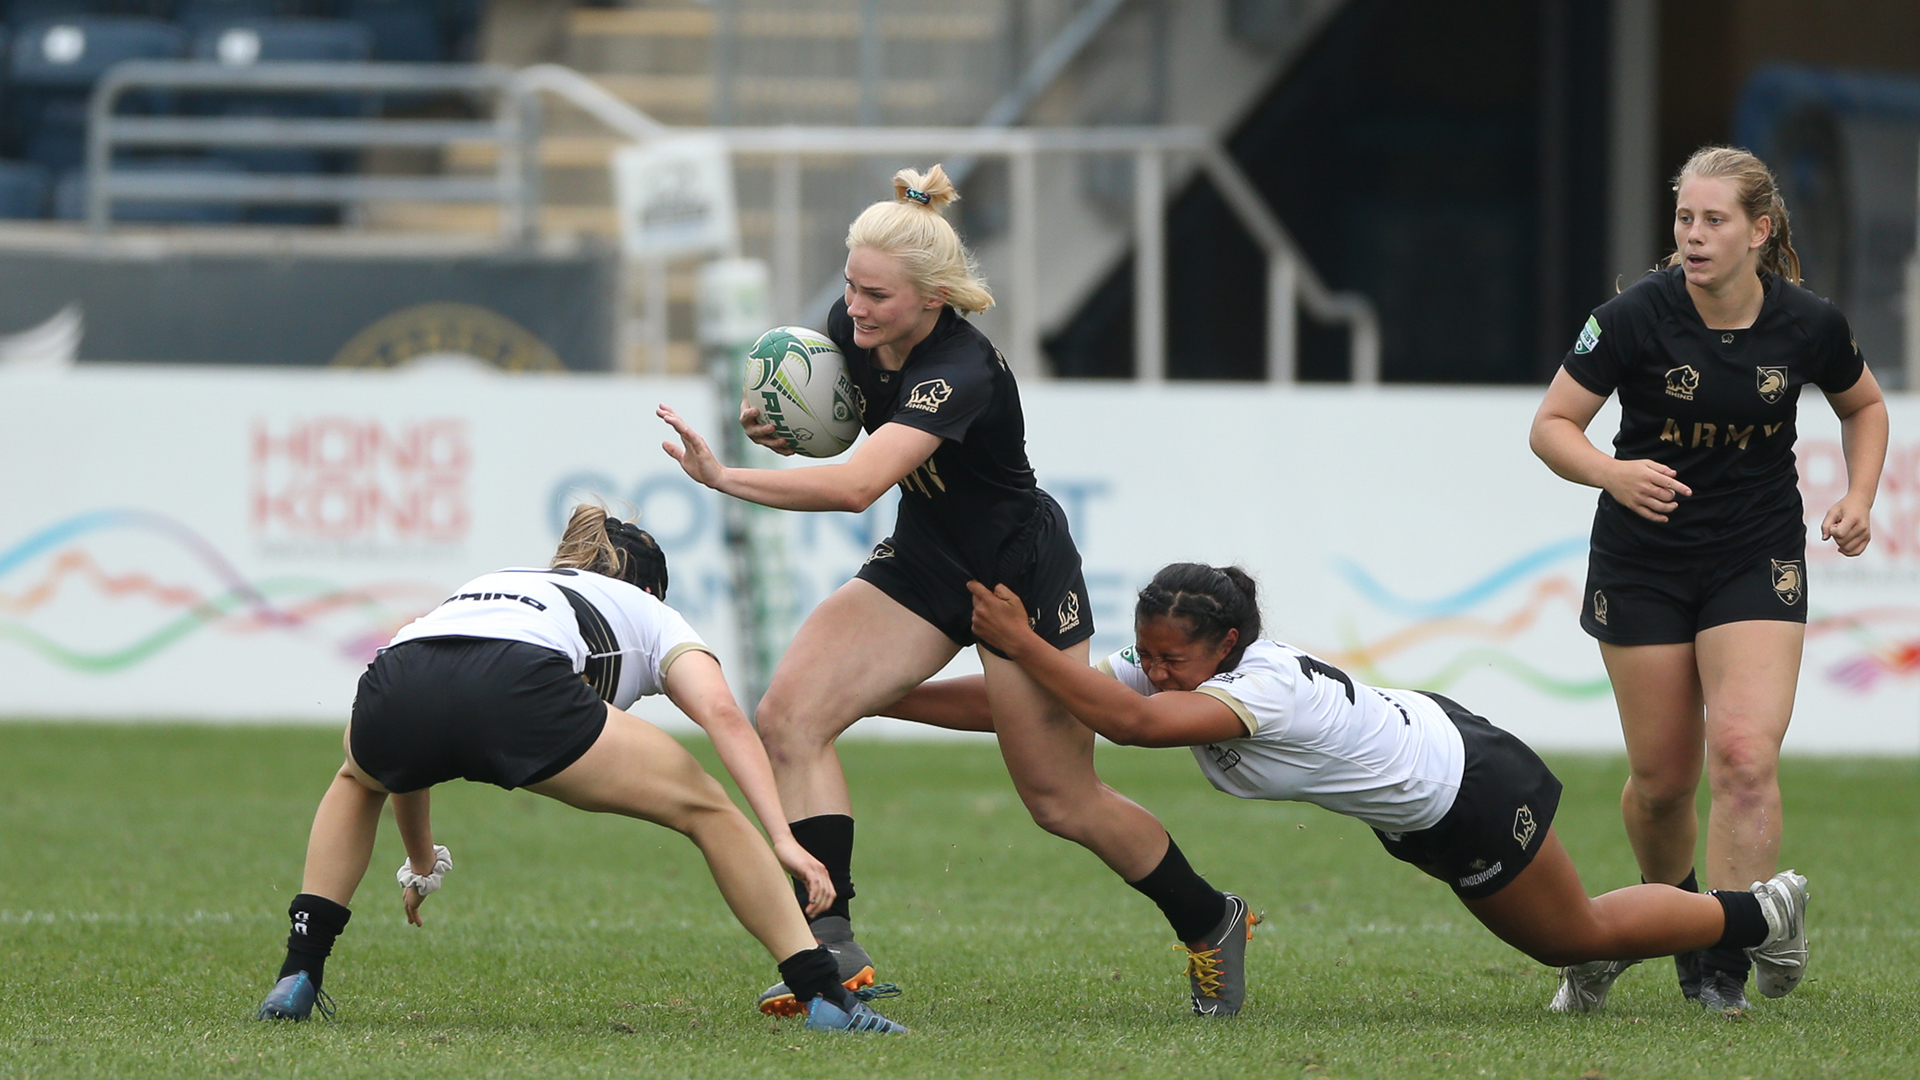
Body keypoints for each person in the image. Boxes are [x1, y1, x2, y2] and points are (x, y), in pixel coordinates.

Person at [656, 164, 1256, 1018]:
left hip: (1021, 572)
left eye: (878, 297)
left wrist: (727, 476)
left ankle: (1210, 920)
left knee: (1059, 800)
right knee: (789, 716)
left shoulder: (961, 369)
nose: (855, 310)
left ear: (934, 298)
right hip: (927, 557)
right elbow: (844, 448)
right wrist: (789, 432)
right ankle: (834, 950)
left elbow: (858, 485)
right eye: (852, 287)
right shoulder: (850, 330)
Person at [949, 561, 1809, 1016]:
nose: (1157, 671)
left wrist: (1025, 643)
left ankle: (1761, 914)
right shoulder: (1189, 668)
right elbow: (1052, 712)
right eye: (1150, 654)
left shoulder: (1261, 688)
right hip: (1425, 794)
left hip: (1466, 788)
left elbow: (1125, 725)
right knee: (1567, 932)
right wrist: (885, 697)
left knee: (1567, 935)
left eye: (1174, 657)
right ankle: (1607, 958)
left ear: (1229, 643)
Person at [250, 505, 907, 1034]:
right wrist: (784, 837)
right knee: (708, 809)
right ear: (650, 586)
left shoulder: (502, 583)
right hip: (517, 686)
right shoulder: (651, 612)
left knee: (356, 777)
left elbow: (414, 748)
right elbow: (725, 717)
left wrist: (422, 865)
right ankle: (823, 996)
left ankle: (299, 970)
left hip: (397, 676)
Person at [1529, 146, 1886, 1011]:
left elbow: (1863, 405)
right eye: (1685, 218)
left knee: (1743, 757)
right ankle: (1685, 917)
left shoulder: (1809, 322)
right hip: (1642, 561)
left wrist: (1859, 496)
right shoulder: (1630, 318)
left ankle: (1721, 964)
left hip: (1753, 554)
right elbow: (1553, 426)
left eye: (1714, 220)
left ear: (1759, 232)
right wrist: (1612, 474)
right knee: (1661, 783)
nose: (1693, 235)